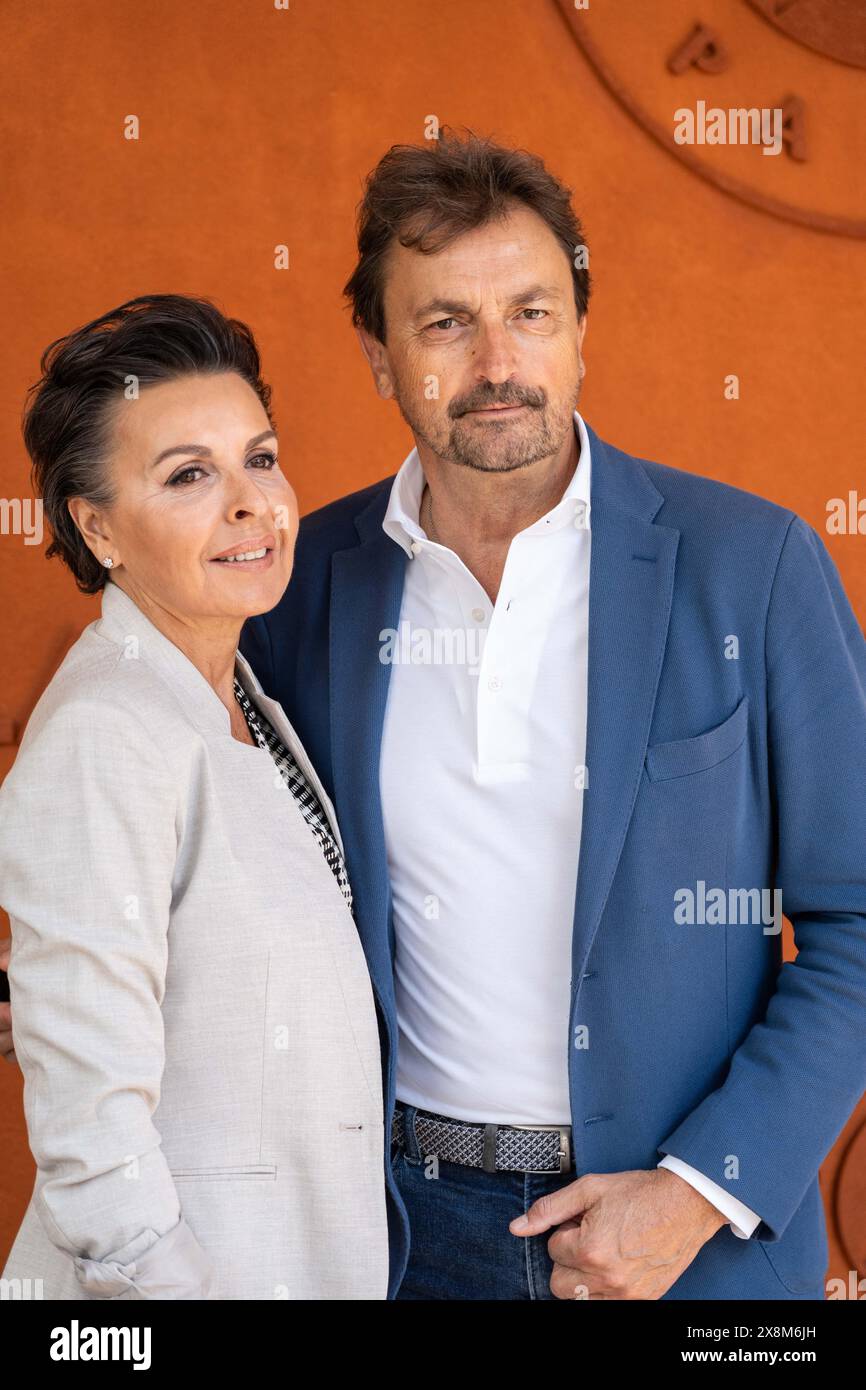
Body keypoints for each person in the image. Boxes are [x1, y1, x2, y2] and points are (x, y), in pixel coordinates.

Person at [236, 129, 866, 1300]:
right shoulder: (297, 585)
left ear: (579, 329)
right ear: (376, 354)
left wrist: (693, 1192)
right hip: (394, 1240)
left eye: (530, 312)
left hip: (687, 1252)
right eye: (443, 324)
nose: (496, 363)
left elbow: (859, 922)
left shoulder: (753, 566)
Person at [0, 294, 388, 1299]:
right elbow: (94, 1144)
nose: (253, 502)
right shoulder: (104, 731)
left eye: (260, 457)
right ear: (98, 527)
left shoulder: (243, 695)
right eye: (188, 476)